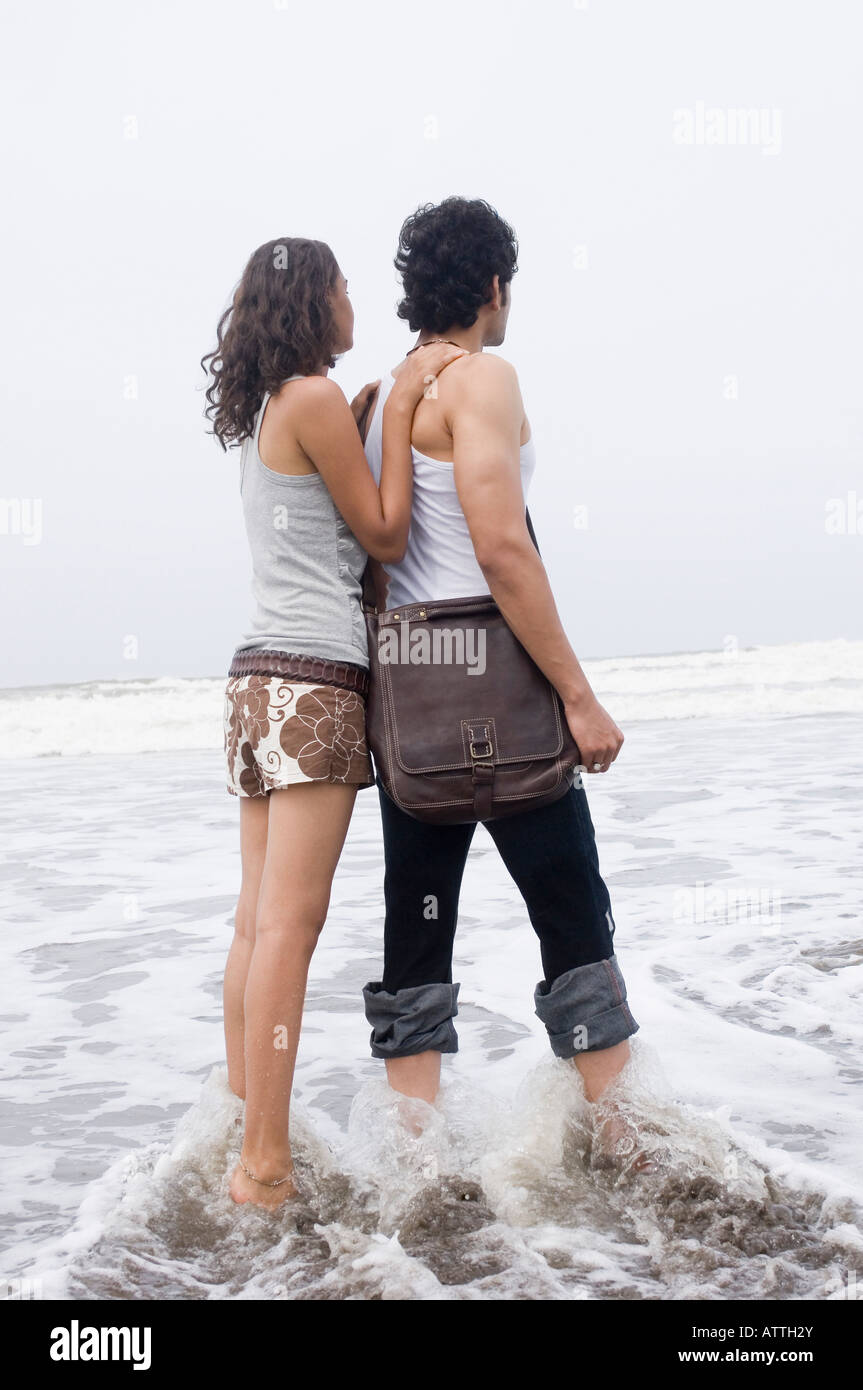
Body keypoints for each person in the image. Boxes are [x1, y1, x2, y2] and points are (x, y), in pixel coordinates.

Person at [360, 199, 642, 1153]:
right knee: (568, 909)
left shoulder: (373, 399)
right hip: (497, 688)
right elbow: (501, 549)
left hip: (408, 689)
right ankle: (622, 1139)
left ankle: (413, 1162)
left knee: (415, 931)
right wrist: (577, 695)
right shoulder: (482, 378)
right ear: (491, 287)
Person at [202, 236, 465, 1208]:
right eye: (346, 286)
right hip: (315, 683)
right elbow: (384, 530)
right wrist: (397, 405)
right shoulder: (315, 398)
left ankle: (241, 1130)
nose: (358, 299)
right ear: (316, 301)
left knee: (251, 926)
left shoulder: (281, 405)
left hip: (256, 683)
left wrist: (370, 407)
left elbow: (323, 507)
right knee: (289, 930)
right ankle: (264, 1165)